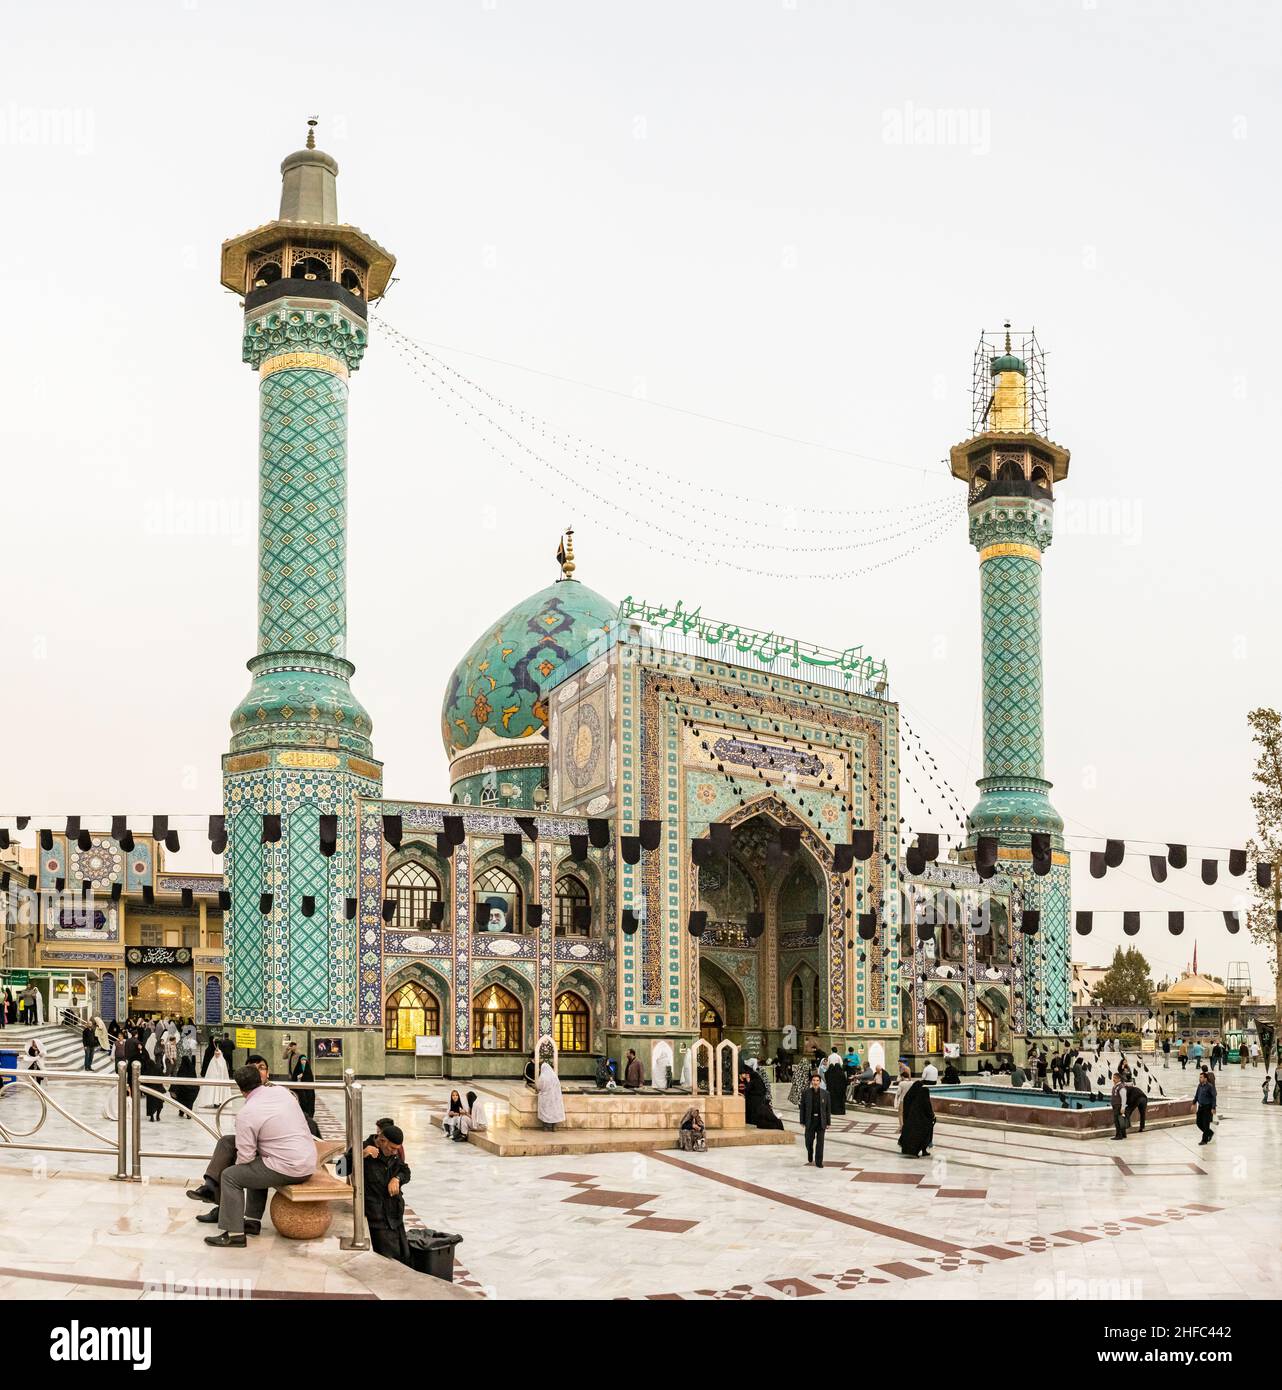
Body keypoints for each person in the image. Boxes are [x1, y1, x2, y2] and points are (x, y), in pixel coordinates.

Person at [203, 1065, 317, 1247]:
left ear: (240, 1089)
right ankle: (251, 1220)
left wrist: (235, 1167)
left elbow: (245, 1158)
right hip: (308, 1159)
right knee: (249, 1159)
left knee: (231, 1176)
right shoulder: (282, 1092)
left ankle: (234, 1234)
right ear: (262, 1079)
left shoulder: (247, 1114)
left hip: (291, 1167)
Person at [357, 1124, 412, 1265]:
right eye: (392, 1148)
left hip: (394, 1216)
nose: (395, 1152)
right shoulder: (363, 1147)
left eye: (397, 1149)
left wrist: (397, 1178)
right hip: (376, 1219)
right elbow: (340, 1169)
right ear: (382, 1141)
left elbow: (405, 1171)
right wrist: (360, 1156)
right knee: (386, 1263)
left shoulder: (394, 1153)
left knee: (403, 1258)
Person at [898, 1067, 935, 1157]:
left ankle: (916, 1150)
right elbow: (928, 1109)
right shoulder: (923, 1094)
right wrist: (932, 1116)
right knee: (924, 1136)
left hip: (912, 1122)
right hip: (922, 1122)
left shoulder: (912, 1097)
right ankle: (923, 1150)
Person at [799, 1072, 830, 1168]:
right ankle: (810, 1151)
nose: (815, 1082)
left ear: (820, 1082)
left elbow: (828, 1109)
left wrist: (828, 1122)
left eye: (817, 1080)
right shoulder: (805, 1093)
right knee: (808, 1141)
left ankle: (819, 1161)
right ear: (811, 1082)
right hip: (810, 1120)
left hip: (821, 1121)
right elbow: (802, 1108)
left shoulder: (826, 1094)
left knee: (820, 1143)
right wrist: (802, 1121)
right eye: (813, 1080)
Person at [201, 1033, 233, 1109]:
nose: (217, 1054)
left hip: (220, 1080)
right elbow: (210, 1072)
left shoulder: (222, 1061)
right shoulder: (213, 1062)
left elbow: (224, 1072)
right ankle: (215, 1101)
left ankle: (219, 1101)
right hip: (215, 1079)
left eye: (218, 1053)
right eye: (216, 1053)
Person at [286, 1041, 316, 1120]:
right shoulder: (289, 1054)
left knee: (307, 1098)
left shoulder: (300, 1055)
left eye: (293, 1046)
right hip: (293, 1077)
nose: (303, 1062)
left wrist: (301, 1076)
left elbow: (306, 1073)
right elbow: (284, 1057)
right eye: (291, 1046)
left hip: (304, 1084)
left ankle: (307, 1114)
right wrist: (286, 1049)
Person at [537, 1060, 566, 1130]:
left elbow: (539, 1087)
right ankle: (554, 1127)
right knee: (554, 1111)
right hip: (555, 1097)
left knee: (545, 1111)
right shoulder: (554, 1076)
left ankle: (545, 1127)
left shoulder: (542, 1076)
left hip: (546, 1098)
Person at [171, 1052, 199, 1118]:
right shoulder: (191, 1068)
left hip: (182, 1090)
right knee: (189, 1102)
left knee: (182, 1101)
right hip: (191, 1090)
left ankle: (181, 1112)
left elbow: (178, 1079)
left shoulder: (181, 1069)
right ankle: (189, 1114)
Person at [1194, 1067, 1216, 1145]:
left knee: (1206, 1124)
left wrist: (1213, 1107)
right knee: (1198, 1122)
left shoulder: (1210, 1086)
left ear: (1205, 1079)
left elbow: (1213, 1097)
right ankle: (1209, 1133)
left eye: (1201, 1077)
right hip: (1200, 1107)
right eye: (1199, 1077)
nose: (1200, 1079)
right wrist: (1194, 1103)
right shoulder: (1199, 1086)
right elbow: (1197, 1095)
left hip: (1207, 1107)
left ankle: (1204, 1140)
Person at [1109, 1073, 1128, 1141]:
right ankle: (1123, 1134)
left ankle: (1119, 1135)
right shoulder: (1115, 1086)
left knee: (1117, 1121)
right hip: (1115, 1106)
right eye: (1113, 1077)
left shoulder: (1121, 1087)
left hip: (1118, 1106)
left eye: (1115, 1078)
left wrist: (1123, 1108)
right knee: (1120, 1121)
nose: (1113, 1079)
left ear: (1119, 1079)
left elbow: (1124, 1098)